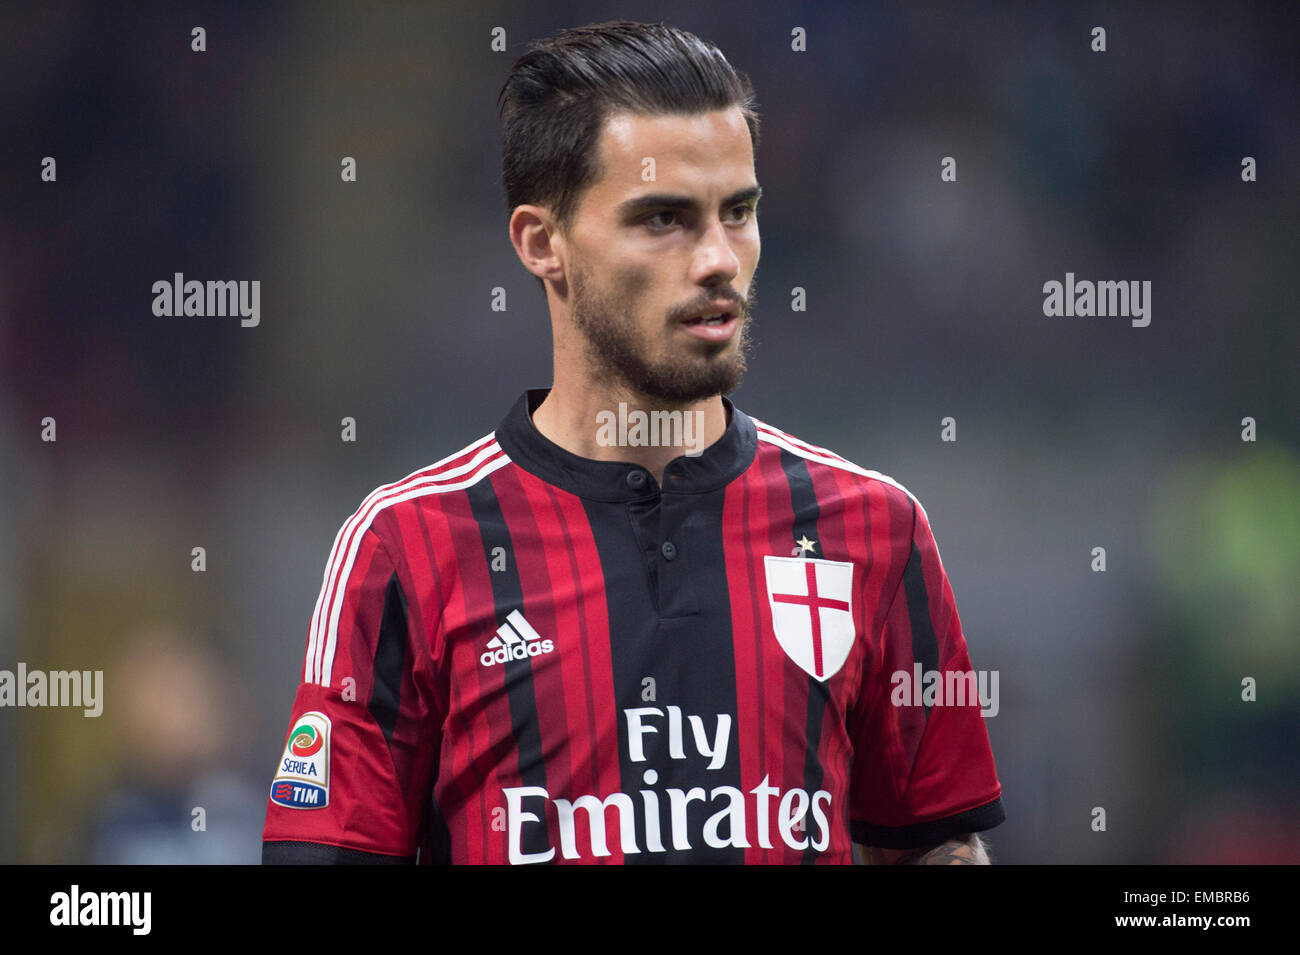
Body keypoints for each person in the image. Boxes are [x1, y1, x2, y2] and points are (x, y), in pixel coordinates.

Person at [262, 19, 1004, 865]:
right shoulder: (405, 546)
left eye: (739, 212)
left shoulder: (876, 529)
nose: (719, 259)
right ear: (544, 244)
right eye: (665, 220)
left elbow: (936, 849)